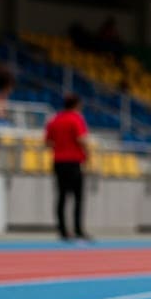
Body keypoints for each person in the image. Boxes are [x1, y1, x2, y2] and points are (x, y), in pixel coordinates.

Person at [45, 93, 90, 241]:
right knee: (78, 197)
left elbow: (47, 142)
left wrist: (60, 147)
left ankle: (63, 231)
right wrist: (87, 154)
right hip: (74, 162)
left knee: (62, 196)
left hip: (59, 161)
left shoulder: (55, 119)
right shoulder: (76, 119)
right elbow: (81, 139)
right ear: (77, 105)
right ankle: (78, 230)